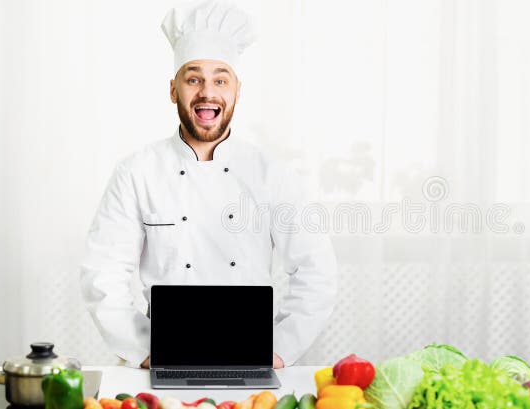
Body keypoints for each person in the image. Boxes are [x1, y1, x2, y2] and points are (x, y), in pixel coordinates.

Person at [80, 0, 337, 369]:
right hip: (161, 359)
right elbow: (102, 272)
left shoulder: (272, 176)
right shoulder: (136, 173)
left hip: (252, 359)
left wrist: (278, 350)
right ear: (173, 90)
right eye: (193, 78)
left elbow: (317, 271)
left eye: (220, 79)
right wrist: (142, 351)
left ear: (236, 90)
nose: (207, 92)